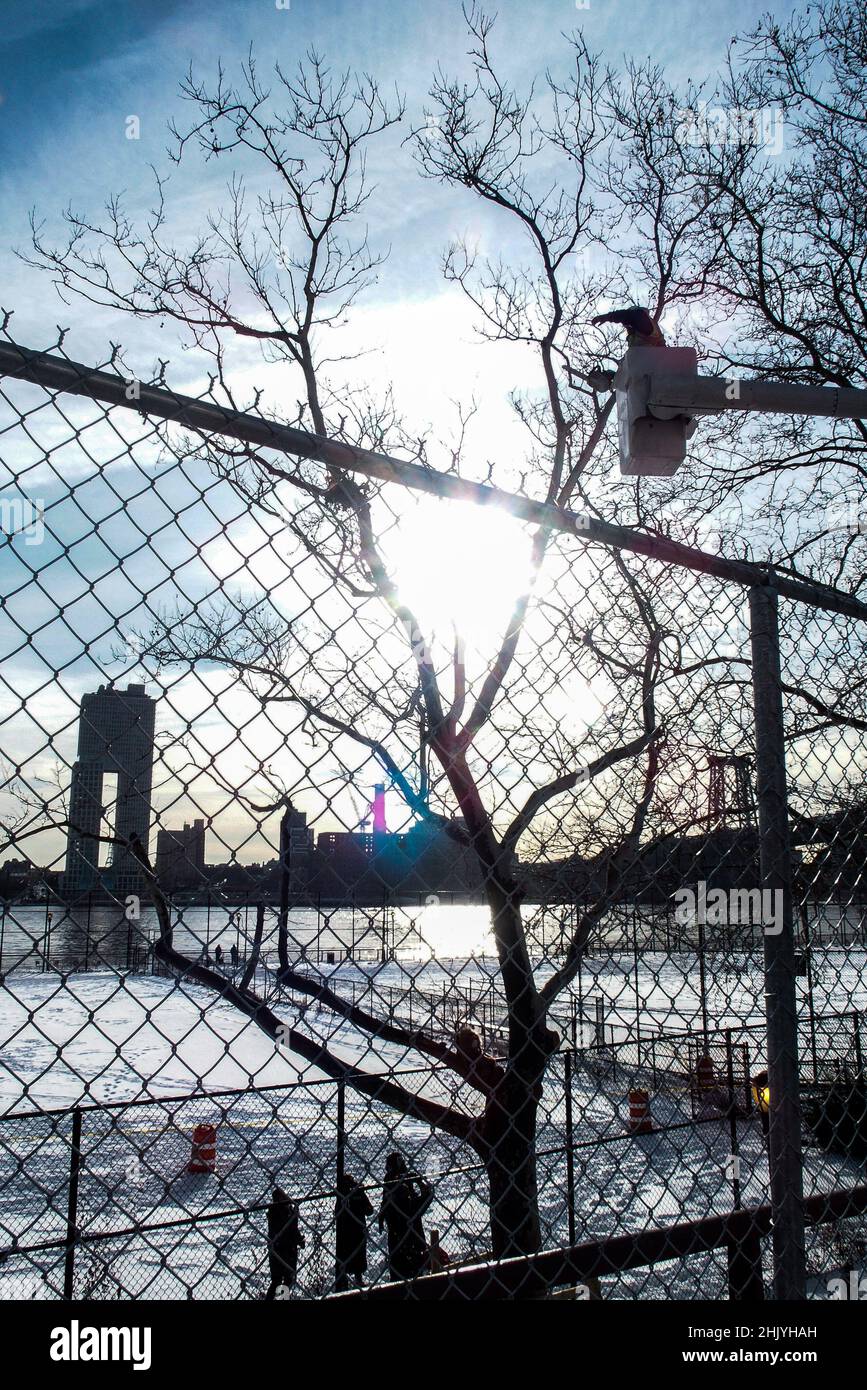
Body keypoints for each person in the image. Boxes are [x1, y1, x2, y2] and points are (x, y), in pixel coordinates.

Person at [378, 1152, 433, 1281]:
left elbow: (386, 1201)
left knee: (405, 1263)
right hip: (402, 1225)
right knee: (404, 1264)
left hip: (403, 1226)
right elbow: (387, 1201)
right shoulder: (393, 1180)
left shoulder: (403, 1179)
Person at [334, 1172, 374, 1291]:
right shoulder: (343, 1194)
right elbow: (338, 1212)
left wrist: (359, 1208)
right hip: (348, 1230)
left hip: (355, 1229)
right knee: (347, 1254)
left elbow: (369, 1210)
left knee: (357, 1253)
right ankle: (345, 1281)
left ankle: (356, 1279)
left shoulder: (358, 1192)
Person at [265, 1187, 305, 1299]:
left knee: (288, 1279)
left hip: (289, 1249)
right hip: (279, 1249)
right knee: (277, 1280)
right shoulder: (274, 1212)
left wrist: (299, 1239)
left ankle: (282, 1298)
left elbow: (293, 1228)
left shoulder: (290, 1210)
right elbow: (281, 1230)